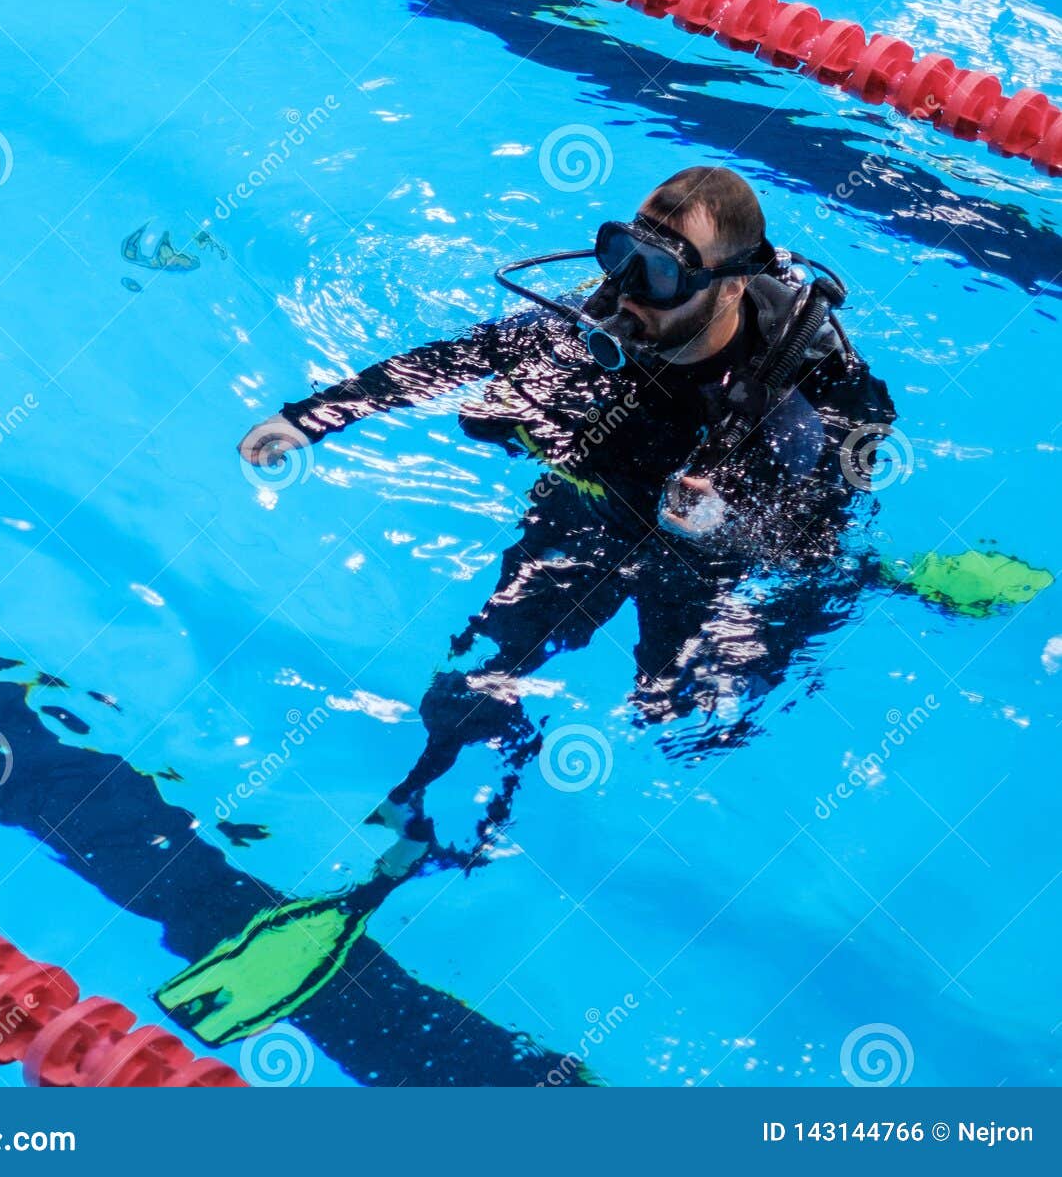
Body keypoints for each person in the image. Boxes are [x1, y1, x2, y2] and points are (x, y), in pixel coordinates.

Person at [166, 167, 897, 1048]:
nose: (627, 289)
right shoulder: (601, 321)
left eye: (662, 272)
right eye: (620, 253)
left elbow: (823, 514)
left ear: (731, 286)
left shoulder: (793, 396)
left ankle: (883, 582)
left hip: (713, 534)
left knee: (679, 715)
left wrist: (729, 524)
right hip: (599, 500)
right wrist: (313, 419)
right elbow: (452, 360)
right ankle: (408, 854)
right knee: (470, 682)